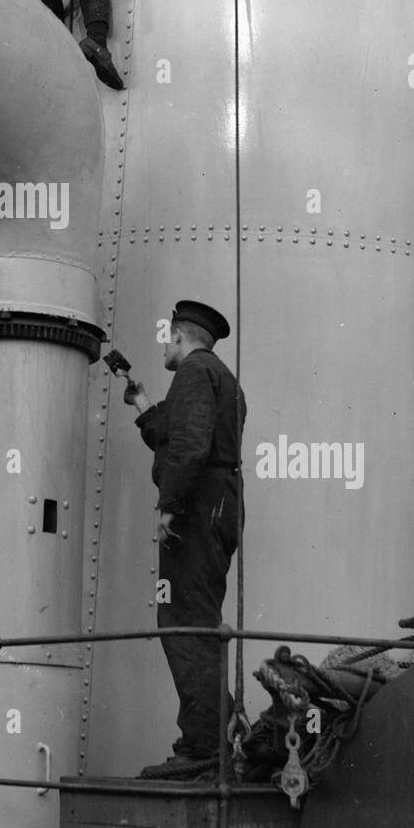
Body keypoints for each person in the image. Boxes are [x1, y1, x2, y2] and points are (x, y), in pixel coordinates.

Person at [123, 300, 247, 777]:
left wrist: (169, 506)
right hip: (219, 506)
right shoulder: (222, 380)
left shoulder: (194, 374)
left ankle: (204, 747)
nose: (163, 346)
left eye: (166, 338)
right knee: (197, 617)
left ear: (179, 336)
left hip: (196, 509)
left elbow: (191, 448)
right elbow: (181, 438)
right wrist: (144, 406)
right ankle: (222, 729)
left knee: (181, 620)